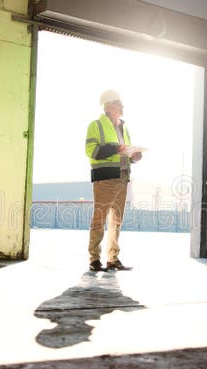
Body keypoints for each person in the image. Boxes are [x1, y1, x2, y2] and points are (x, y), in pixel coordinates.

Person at [85, 90, 142, 271]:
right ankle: (94, 259)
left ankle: (112, 259)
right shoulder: (96, 125)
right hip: (106, 178)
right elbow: (92, 151)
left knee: (116, 221)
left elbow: (126, 151)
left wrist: (134, 156)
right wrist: (114, 148)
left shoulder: (123, 127)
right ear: (109, 106)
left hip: (123, 177)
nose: (121, 106)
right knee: (99, 218)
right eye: (118, 103)